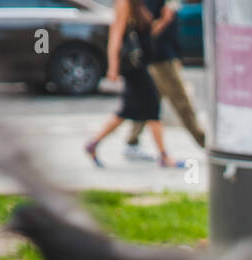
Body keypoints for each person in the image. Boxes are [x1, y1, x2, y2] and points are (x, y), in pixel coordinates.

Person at [84, 0, 184, 169]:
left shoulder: (140, 4)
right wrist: (113, 68)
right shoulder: (125, 2)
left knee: (126, 112)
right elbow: (116, 35)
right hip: (133, 67)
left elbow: (147, 33)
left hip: (141, 64)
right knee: (153, 107)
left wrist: (164, 21)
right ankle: (164, 156)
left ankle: (93, 143)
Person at [123, 0, 207, 161]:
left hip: (166, 56)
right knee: (181, 102)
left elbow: (173, 34)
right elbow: (146, 31)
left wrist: (177, 56)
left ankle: (131, 141)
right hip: (159, 59)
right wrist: (164, 20)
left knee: (149, 102)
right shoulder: (152, 3)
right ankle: (203, 141)